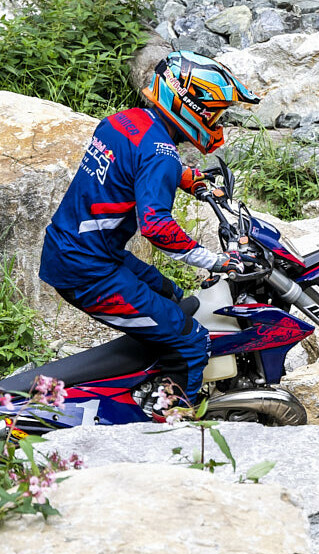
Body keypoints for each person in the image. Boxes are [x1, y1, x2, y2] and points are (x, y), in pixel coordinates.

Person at [38, 51, 260, 415]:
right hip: (88, 271)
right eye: (215, 113)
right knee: (191, 342)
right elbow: (156, 226)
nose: (217, 121)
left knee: (173, 296)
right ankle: (172, 422)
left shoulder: (123, 121)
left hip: (80, 249)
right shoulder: (161, 154)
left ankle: (151, 380)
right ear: (192, 105)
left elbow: (134, 164)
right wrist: (216, 260)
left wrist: (189, 179)